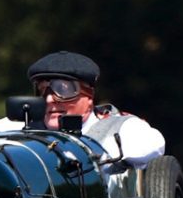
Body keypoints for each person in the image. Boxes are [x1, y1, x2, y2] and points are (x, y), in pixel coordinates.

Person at [25, 50, 165, 168]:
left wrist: (102, 157)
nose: (49, 99)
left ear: (89, 96)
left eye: (62, 90)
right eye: (42, 91)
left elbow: (152, 146)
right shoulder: (21, 129)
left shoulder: (122, 128)